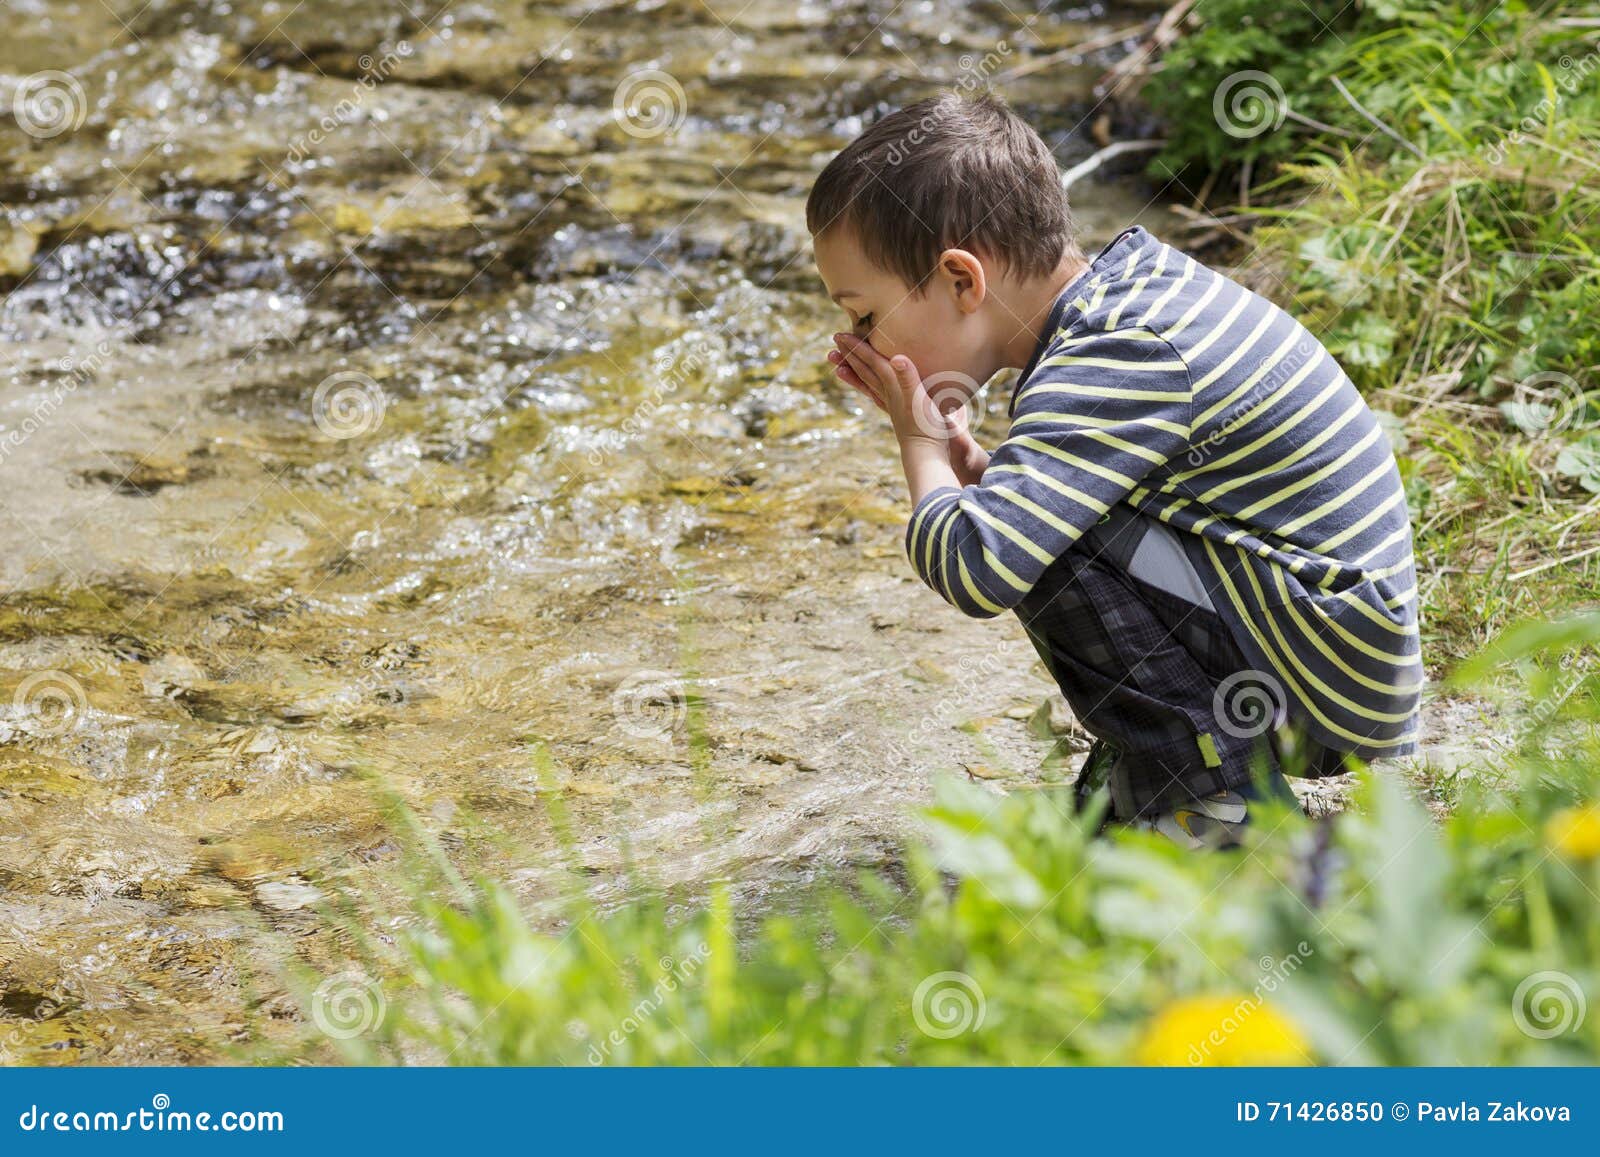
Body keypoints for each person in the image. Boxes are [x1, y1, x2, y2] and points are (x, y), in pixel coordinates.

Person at [809, 92, 1423, 849]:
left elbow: (976, 567)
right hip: (1336, 650)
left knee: (1043, 541)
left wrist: (922, 447)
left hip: (1328, 682)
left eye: (866, 315)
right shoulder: (1125, 302)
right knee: (1041, 511)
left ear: (962, 280)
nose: (858, 338)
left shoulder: (1112, 351)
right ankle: (1166, 774)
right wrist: (971, 461)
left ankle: (1209, 799)